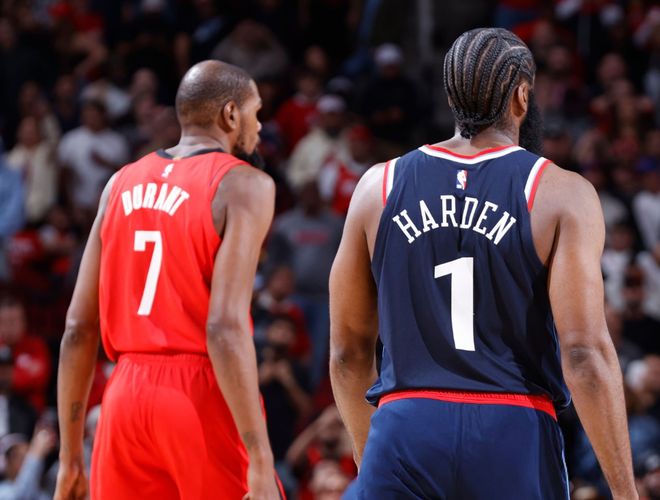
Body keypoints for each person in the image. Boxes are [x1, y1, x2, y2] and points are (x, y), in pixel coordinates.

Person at [329, 27, 637, 499]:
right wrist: (625, 491)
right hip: (511, 428)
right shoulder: (560, 193)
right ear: (521, 96)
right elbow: (583, 353)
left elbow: (347, 352)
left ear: (451, 97)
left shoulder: (378, 186)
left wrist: (372, 453)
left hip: (405, 427)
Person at [55, 60, 282, 500]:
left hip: (123, 397)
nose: (259, 125)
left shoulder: (118, 184)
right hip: (200, 393)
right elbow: (224, 328)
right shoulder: (244, 184)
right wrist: (260, 458)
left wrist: (70, 458)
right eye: (256, 112)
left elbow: (78, 328)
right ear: (230, 114)